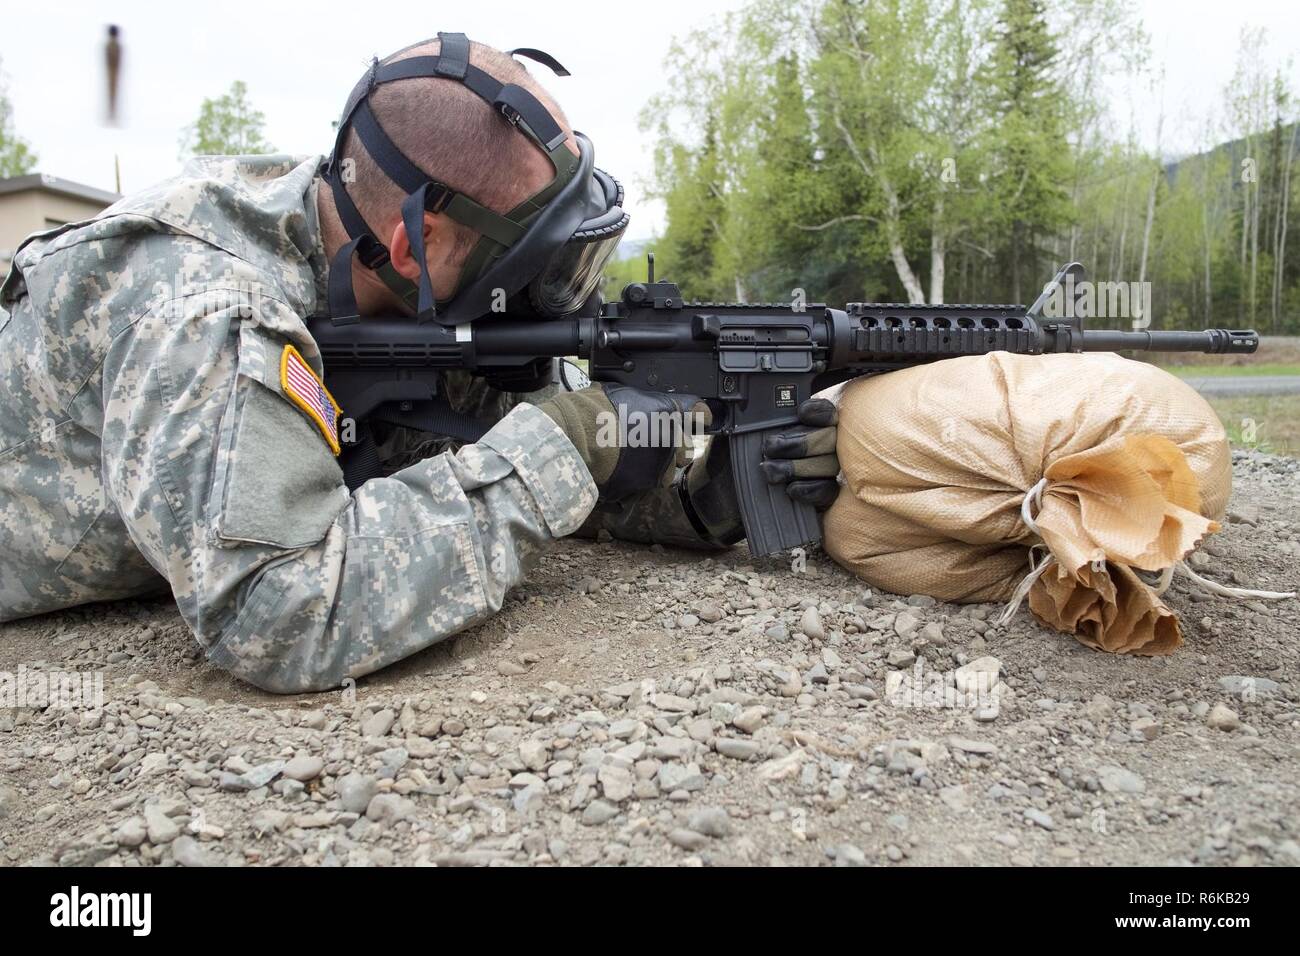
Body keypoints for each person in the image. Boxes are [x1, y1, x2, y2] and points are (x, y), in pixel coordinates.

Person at [0, 34, 838, 693]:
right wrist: (563, 446)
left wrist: (707, 487)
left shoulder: (409, 283)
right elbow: (280, 611)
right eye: (537, 263)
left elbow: (481, 463)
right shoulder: (201, 312)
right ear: (414, 243)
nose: (557, 293)